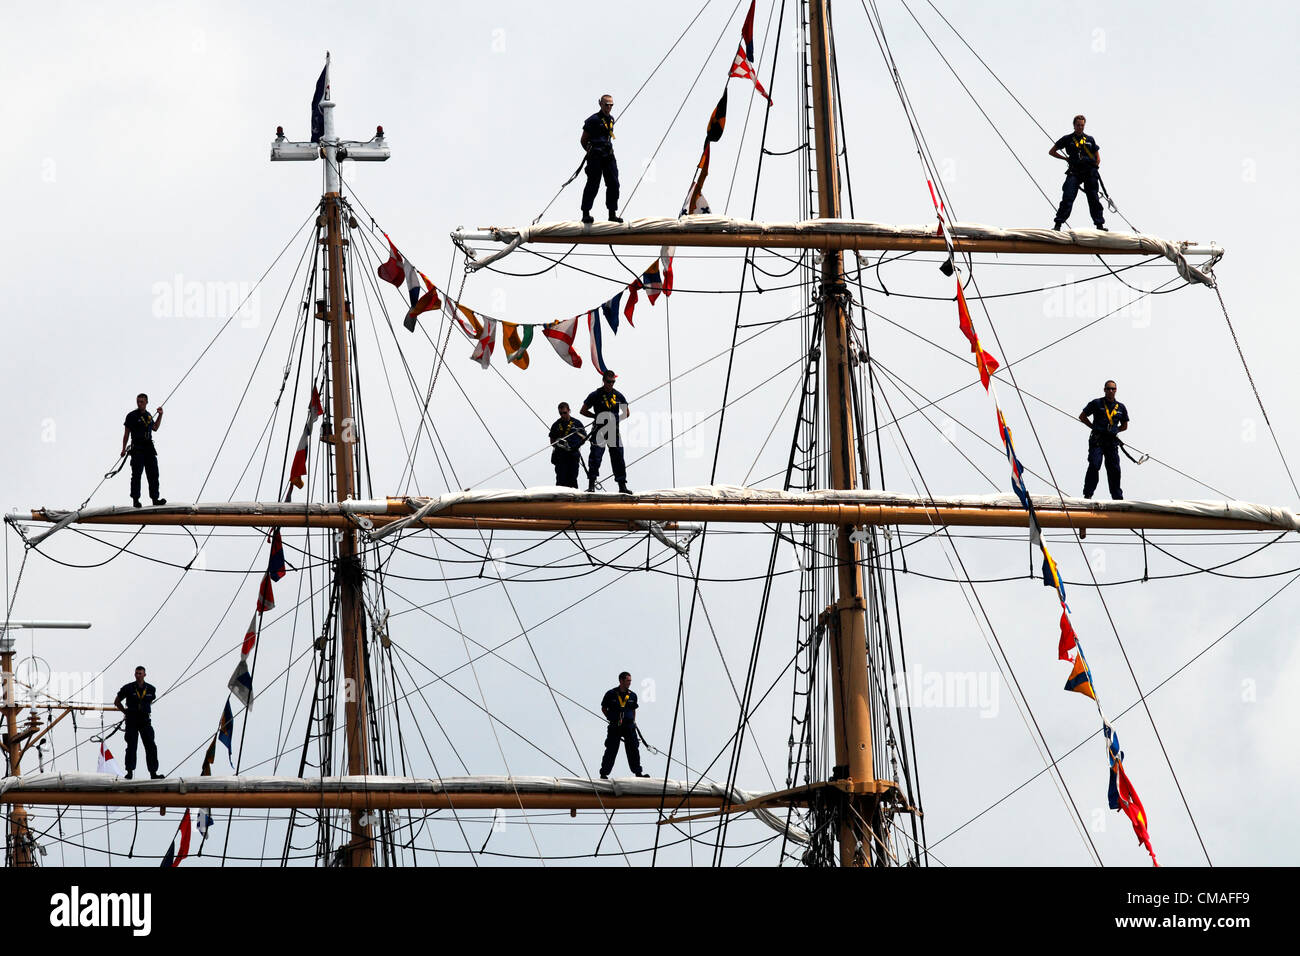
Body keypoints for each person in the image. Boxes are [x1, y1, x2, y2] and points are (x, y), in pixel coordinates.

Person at [1049, 114, 1106, 231]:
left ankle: (1099, 225)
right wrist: (1065, 158)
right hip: (1075, 171)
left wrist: (1095, 167)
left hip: (1089, 172)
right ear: (1074, 126)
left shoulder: (1090, 139)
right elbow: (1052, 151)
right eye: (1078, 125)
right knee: (1067, 196)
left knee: (1093, 198)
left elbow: (1097, 157)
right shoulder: (1067, 139)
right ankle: (1058, 224)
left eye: (1082, 125)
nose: (1080, 127)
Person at [581, 371, 631, 494]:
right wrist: (596, 417)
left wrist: (615, 420)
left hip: (613, 430)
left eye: (613, 382)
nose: (611, 384)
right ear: (603, 380)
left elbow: (626, 413)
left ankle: (622, 486)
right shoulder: (595, 395)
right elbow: (583, 410)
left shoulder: (618, 395)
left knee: (618, 457)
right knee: (595, 457)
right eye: (609, 382)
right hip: (600, 430)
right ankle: (591, 484)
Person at [1079, 380, 1129, 500]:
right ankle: (1088, 494)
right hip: (1098, 440)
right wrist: (1094, 427)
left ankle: (1117, 497)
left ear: (1116, 390)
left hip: (1111, 442)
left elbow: (1124, 425)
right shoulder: (1097, 403)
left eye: (1113, 389)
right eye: (1108, 389)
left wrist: (1115, 430)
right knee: (1094, 465)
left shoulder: (1121, 407)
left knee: (1114, 469)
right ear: (1104, 390)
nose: (1110, 391)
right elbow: (1082, 416)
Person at [113, 666, 163, 780]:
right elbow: (116, 701)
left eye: (140, 673)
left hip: (145, 720)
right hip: (132, 720)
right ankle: (129, 772)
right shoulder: (128, 688)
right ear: (134, 675)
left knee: (151, 746)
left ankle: (153, 773)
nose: (138, 675)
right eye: (136, 673)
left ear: (145, 675)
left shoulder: (151, 689)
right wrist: (125, 711)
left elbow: (150, 700)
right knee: (131, 746)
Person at [580, 94, 622, 225]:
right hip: (596, 156)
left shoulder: (611, 119)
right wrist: (591, 151)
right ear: (600, 104)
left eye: (611, 105)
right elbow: (583, 140)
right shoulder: (592, 120)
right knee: (593, 184)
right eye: (606, 104)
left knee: (614, 183)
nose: (608, 107)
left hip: (608, 156)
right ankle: (586, 213)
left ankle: (612, 213)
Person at [599, 671, 649, 779]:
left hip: (629, 726)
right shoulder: (611, 694)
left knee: (633, 749)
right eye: (628, 681)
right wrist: (610, 718)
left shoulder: (633, 695)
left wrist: (633, 722)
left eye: (630, 681)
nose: (629, 683)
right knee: (611, 749)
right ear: (621, 680)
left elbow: (633, 710)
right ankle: (604, 773)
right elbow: (604, 708)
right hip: (615, 726)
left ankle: (638, 773)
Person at [121, 393, 166, 508]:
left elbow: (155, 428)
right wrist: (123, 449)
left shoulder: (148, 416)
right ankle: (136, 500)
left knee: (153, 474)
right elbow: (126, 434)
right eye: (138, 401)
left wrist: (160, 415)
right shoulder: (131, 416)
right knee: (136, 474)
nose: (139, 403)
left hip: (149, 448)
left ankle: (155, 499)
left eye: (142, 401)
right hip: (137, 448)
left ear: (146, 402)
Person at [549, 402, 588, 488]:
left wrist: (576, 445)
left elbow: (584, 438)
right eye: (561, 413)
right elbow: (552, 441)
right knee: (560, 480)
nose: (563, 415)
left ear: (569, 411)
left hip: (573, 455)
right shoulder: (556, 425)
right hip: (560, 457)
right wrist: (560, 446)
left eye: (565, 413)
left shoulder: (577, 423)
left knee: (573, 479)